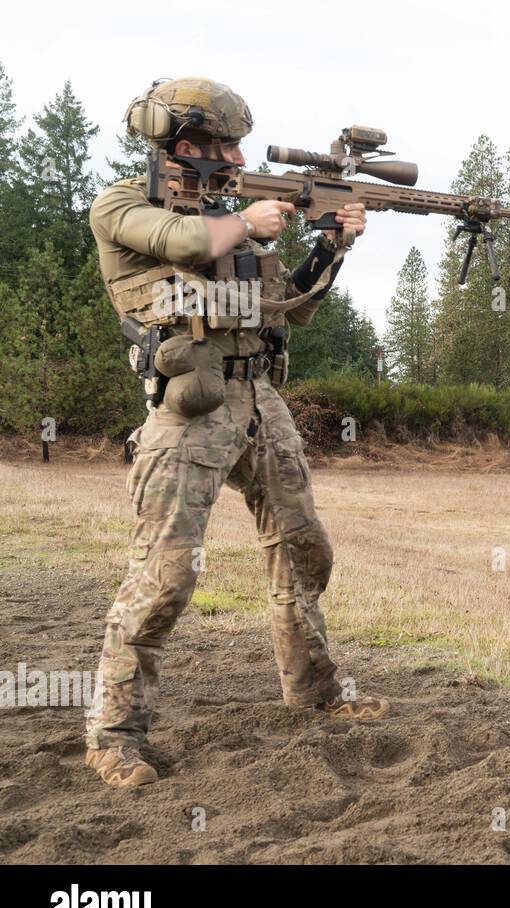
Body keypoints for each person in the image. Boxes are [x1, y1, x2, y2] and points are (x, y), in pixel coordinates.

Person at [84, 77, 388, 789]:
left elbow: (290, 310)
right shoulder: (124, 205)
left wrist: (332, 248)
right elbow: (182, 240)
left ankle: (313, 689)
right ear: (184, 147)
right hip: (189, 407)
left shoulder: (233, 215)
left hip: (259, 400)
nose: (241, 154)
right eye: (227, 145)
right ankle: (112, 735)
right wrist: (248, 221)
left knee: (304, 549)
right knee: (164, 578)